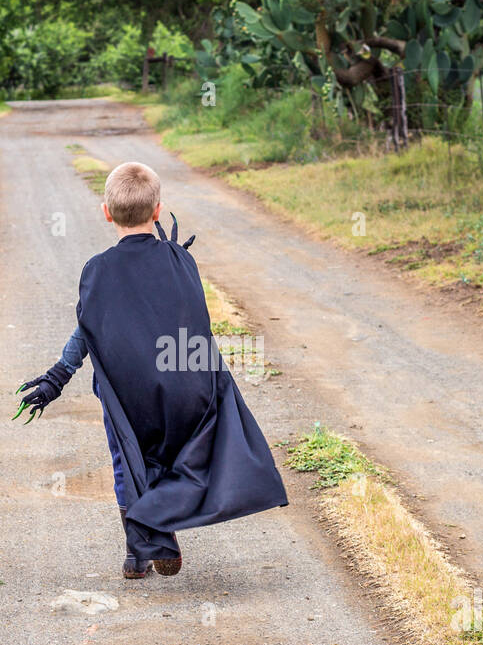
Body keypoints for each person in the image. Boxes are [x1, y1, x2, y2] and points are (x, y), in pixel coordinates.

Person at [14, 162, 287, 578]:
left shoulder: (98, 270)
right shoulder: (181, 260)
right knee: (179, 457)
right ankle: (160, 531)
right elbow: (196, 324)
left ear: (106, 212)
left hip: (127, 394)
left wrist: (58, 376)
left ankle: (139, 548)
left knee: (129, 461)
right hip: (184, 387)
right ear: (158, 211)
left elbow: (89, 329)